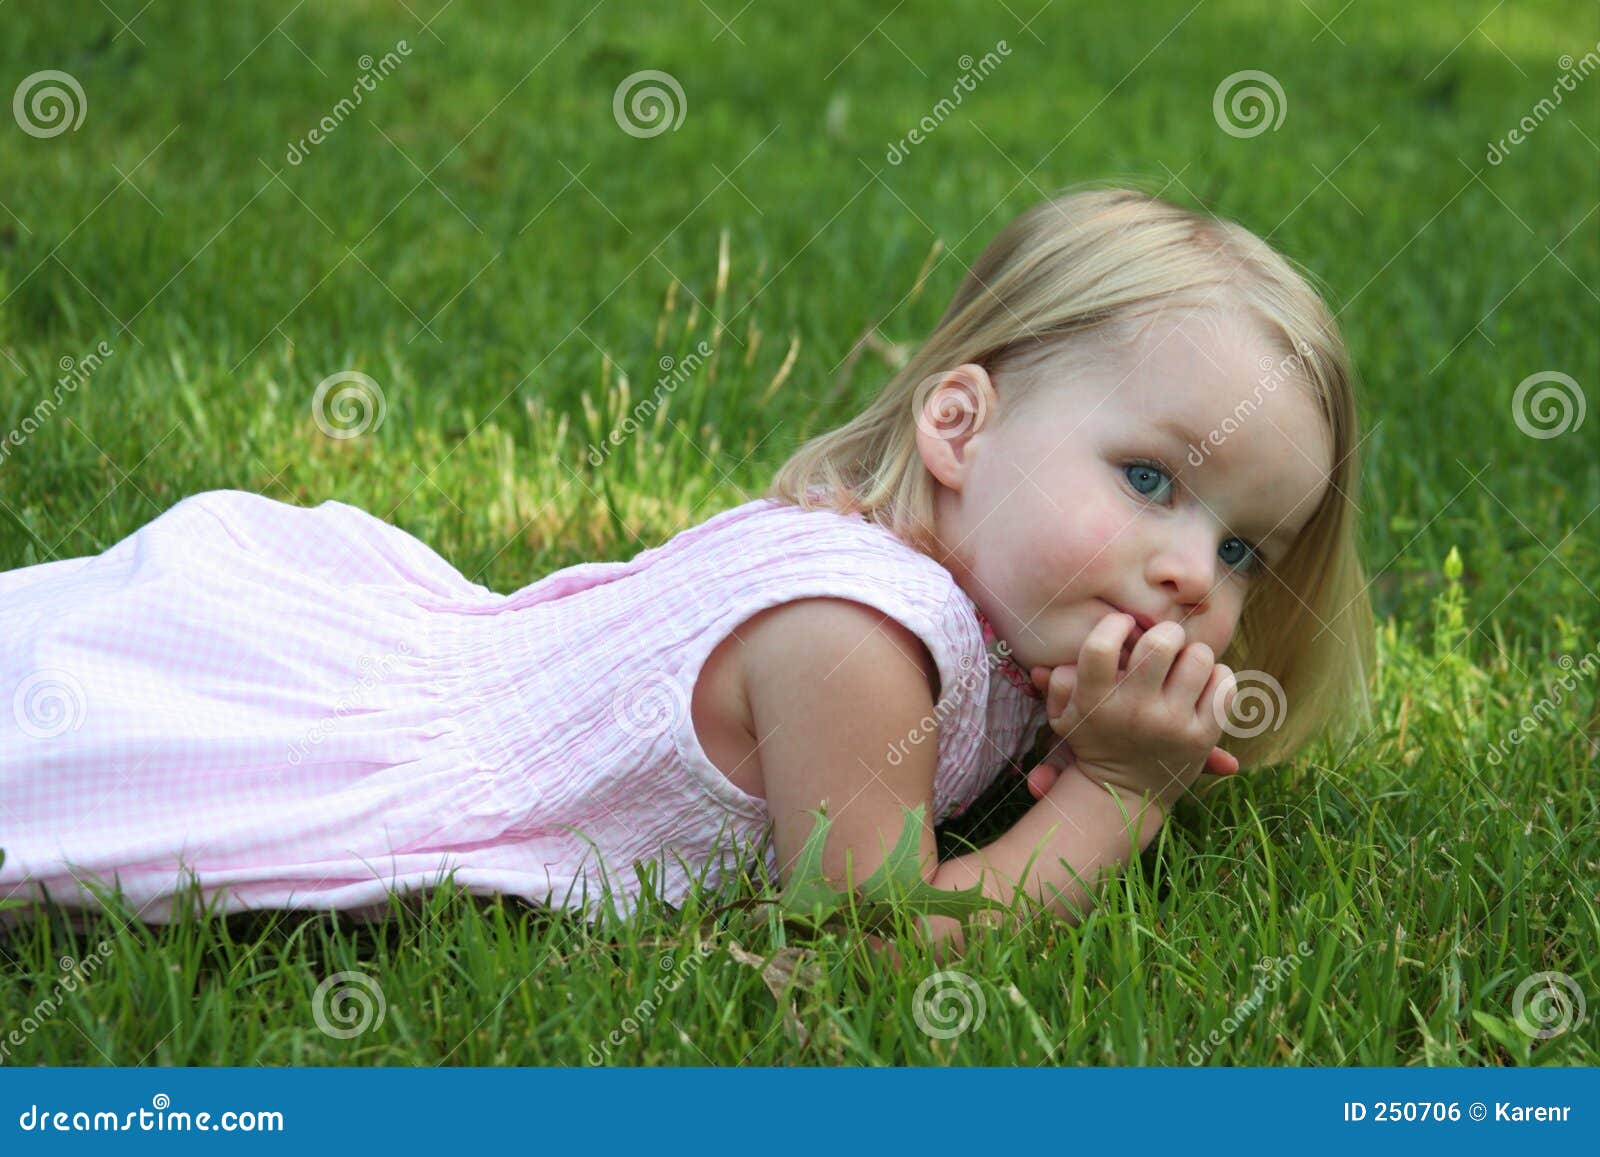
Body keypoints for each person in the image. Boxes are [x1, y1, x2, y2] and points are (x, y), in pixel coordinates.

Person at [0, 184, 1375, 956]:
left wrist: (1083, 725)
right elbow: (863, 944)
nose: (1190, 572)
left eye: (1239, 547)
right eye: (1149, 479)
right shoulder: (856, 638)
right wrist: (1117, 794)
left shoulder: (979, 606)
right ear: (960, 427)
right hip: (337, 738)